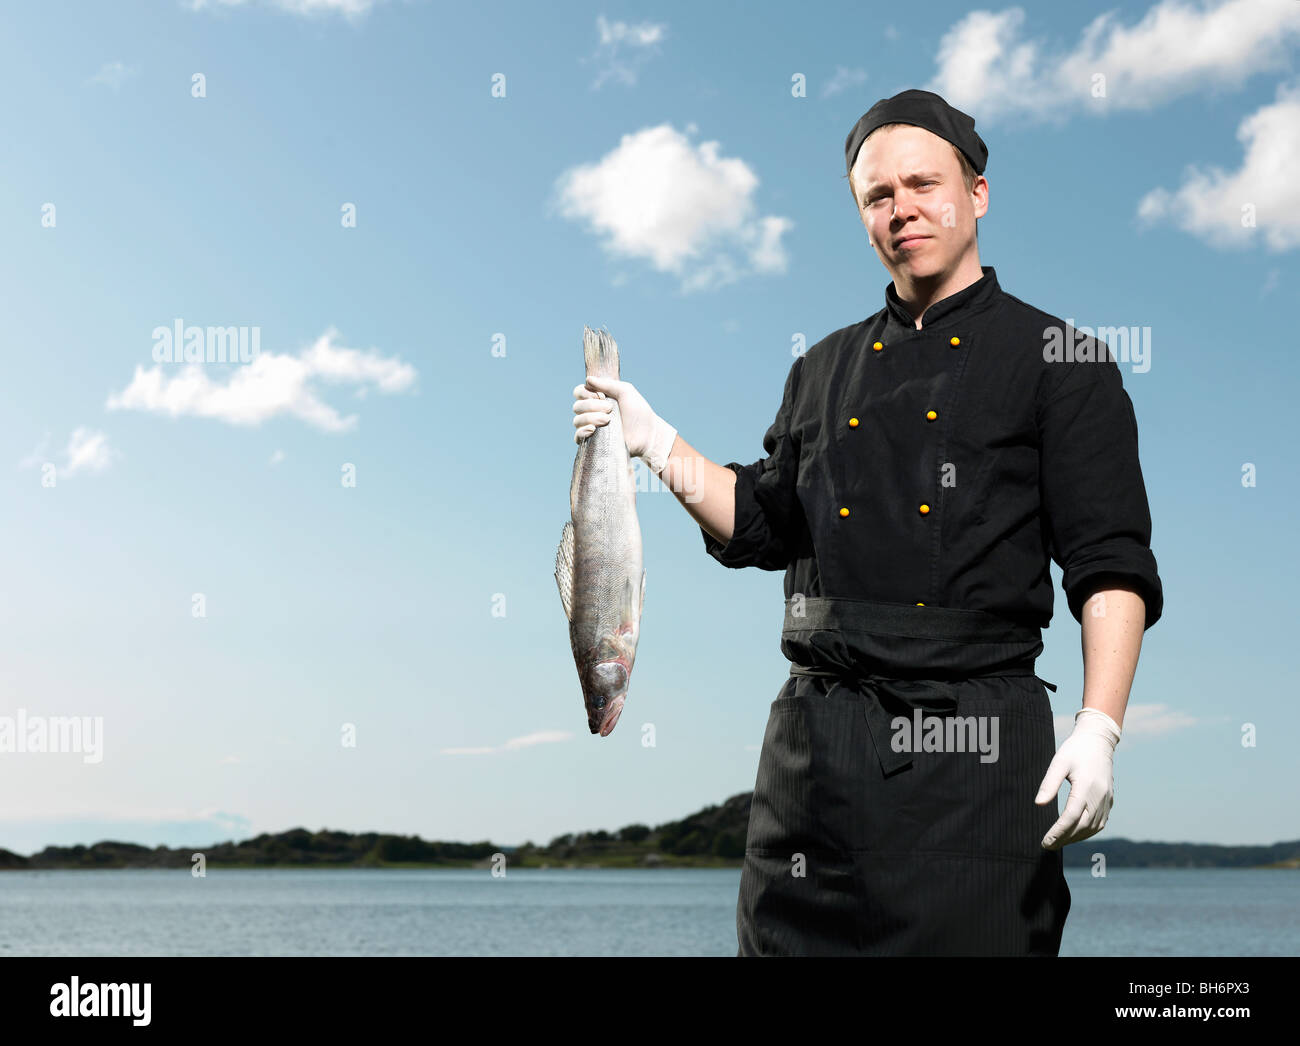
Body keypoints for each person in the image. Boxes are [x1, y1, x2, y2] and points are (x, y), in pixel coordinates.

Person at [569, 88, 1162, 956]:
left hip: (978, 756)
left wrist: (1099, 725)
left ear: (979, 193)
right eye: (878, 197)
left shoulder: (1061, 361)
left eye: (923, 184)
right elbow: (764, 526)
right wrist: (654, 441)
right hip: (813, 765)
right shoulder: (822, 368)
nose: (901, 210)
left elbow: (1108, 563)